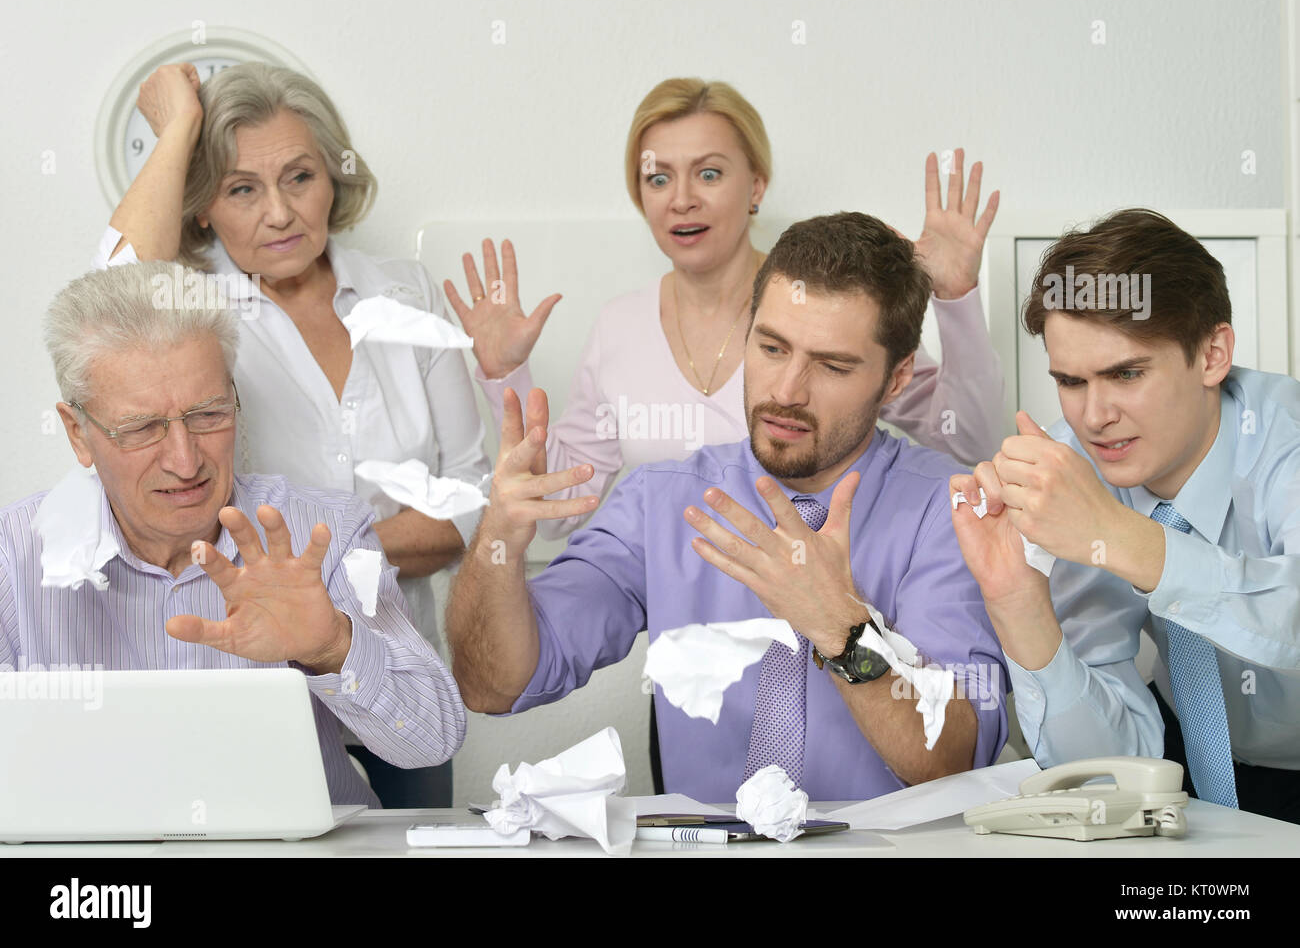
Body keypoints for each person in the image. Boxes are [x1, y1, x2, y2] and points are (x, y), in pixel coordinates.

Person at [446, 211, 1008, 803]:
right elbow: (493, 686)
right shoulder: (660, 502)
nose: (786, 391)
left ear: (896, 381)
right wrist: (496, 540)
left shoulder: (951, 510)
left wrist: (842, 631)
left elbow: (955, 760)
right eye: (771, 347)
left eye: (833, 365)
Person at [93, 62, 490, 806]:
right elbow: (108, 296)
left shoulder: (407, 293)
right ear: (202, 208)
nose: (279, 212)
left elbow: (469, 498)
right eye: (242, 188)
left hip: (395, 671)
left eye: (300, 177)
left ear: (333, 180)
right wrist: (177, 124)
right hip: (252, 682)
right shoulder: (193, 309)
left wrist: (328, 561)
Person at [446, 78, 1004, 546]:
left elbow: (967, 447)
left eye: (709, 173)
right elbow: (562, 510)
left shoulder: (828, 309)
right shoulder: (619, 326)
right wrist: (504, 375)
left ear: (756, 185)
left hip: (830, 631)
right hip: (688, 646)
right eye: (657, 177)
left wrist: (955, 298)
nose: (681, 198)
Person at [0, 261, 465, 808]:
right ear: (79, 433)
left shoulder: (323, 533)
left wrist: (332, 648)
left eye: (208, 415)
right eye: (143, 428)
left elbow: (432, 740)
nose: (184, 459)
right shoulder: (13, 555)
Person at [950, 208, 1300, 824]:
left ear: (1213, 354)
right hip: (1201, 773)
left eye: (1126, 373)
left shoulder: (1286, 441)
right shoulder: (1075, 467)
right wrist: (1018, 604)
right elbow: (1113, 769)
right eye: (1070, 380)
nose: (1094, 417)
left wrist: (1123, 540)